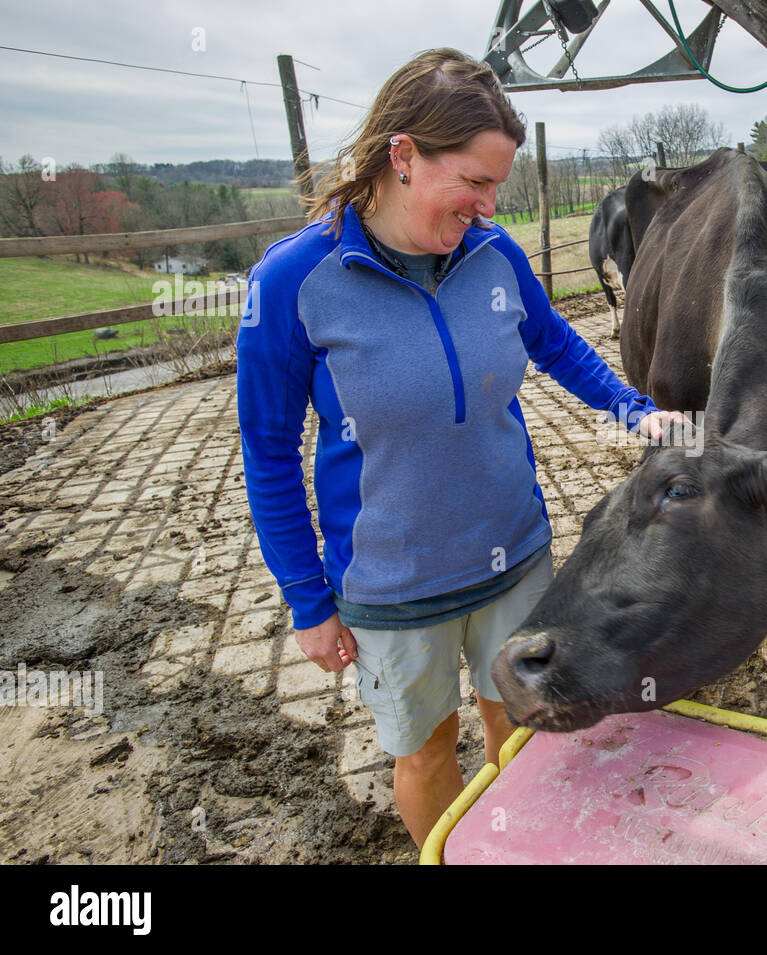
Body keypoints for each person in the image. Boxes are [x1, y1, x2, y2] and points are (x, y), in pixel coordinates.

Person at [236, 48, 681, 852]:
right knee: (427, 746)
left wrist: (632, 408)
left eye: (496, 189)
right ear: (403, 156)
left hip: (515, 556)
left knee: (521, 718)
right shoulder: (295, 280)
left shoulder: (494, 254)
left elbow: (554, 344)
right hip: (393, 585)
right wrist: (307, 599)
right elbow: (267, 453)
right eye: (473, 183)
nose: (486, 207)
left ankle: (520, 844)